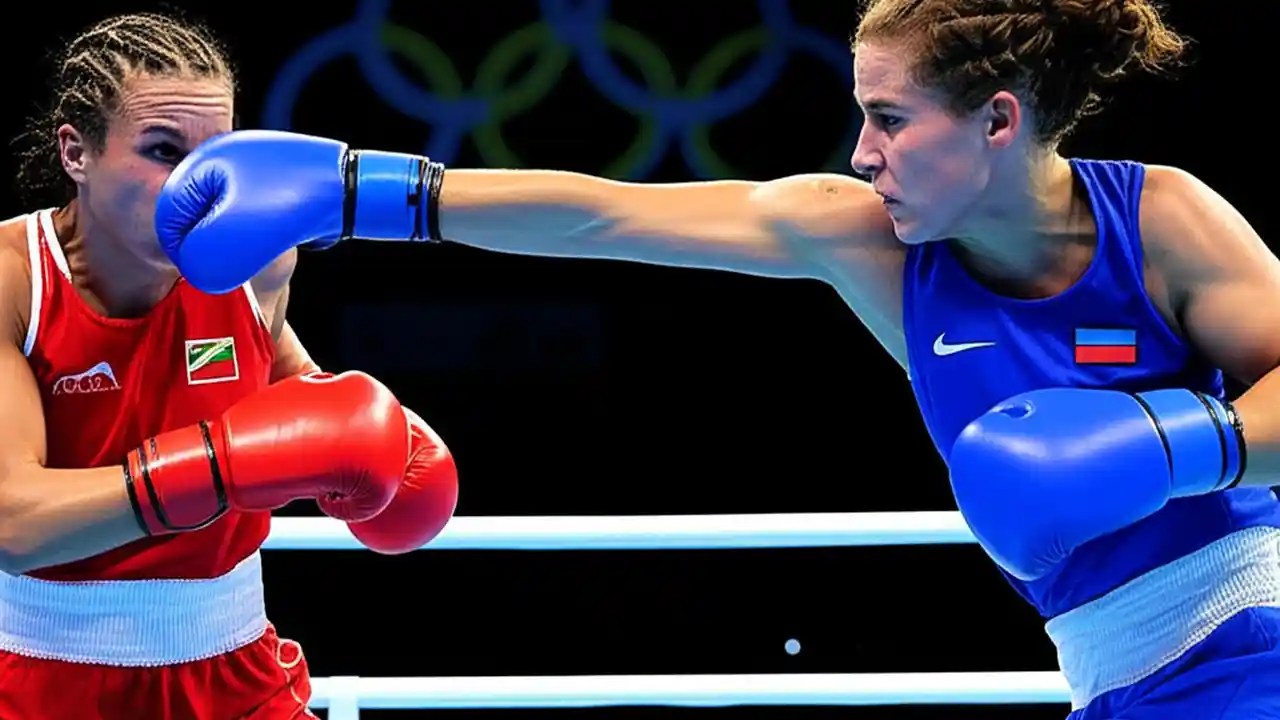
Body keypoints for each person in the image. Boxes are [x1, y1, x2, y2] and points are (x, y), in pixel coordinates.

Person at [156, 0, 1280, 717]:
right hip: (1121, 678)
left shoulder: (1159, 220)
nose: (863, 152)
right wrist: (363, 191)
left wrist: (1175, 444)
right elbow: (606, 215)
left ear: (996, 121)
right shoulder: (868, 242)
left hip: (1251, 641)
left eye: (890, 119)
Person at [0, 11, 459, 720]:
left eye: (215, 156)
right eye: (163, 150)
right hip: (42, 680)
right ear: (75, 153)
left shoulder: (258, 261)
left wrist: (386, 441)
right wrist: (215, 468)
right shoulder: (17, 282)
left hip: (239, 675)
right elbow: (14, 521)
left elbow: (286, 381)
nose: (196, 187)